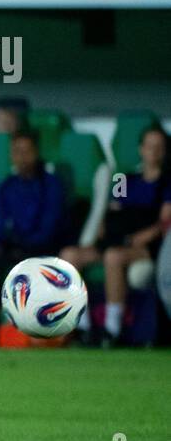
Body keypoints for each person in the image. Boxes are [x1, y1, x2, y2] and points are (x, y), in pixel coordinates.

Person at [61, 126, 171, 345]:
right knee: (69, 255)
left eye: (159, 147)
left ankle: (112, 328)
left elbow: (164, 222)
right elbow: (114, 209)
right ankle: (82, 326)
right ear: (141, 149)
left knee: (114, 256)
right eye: (149, 146)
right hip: (117, 240)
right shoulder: (124, 179)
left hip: (145, 245)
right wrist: (105, 229)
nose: (154, 151)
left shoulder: (167, 182)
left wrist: (137, 238)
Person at [0, 129, 67, 311]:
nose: (22, 157)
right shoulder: (5, 186)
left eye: (27, 151)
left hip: (41, 247)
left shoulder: (51, 185)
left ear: (37, 152)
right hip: (12, 246)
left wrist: (22, 245)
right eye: (17, 152)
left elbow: (49, 228)